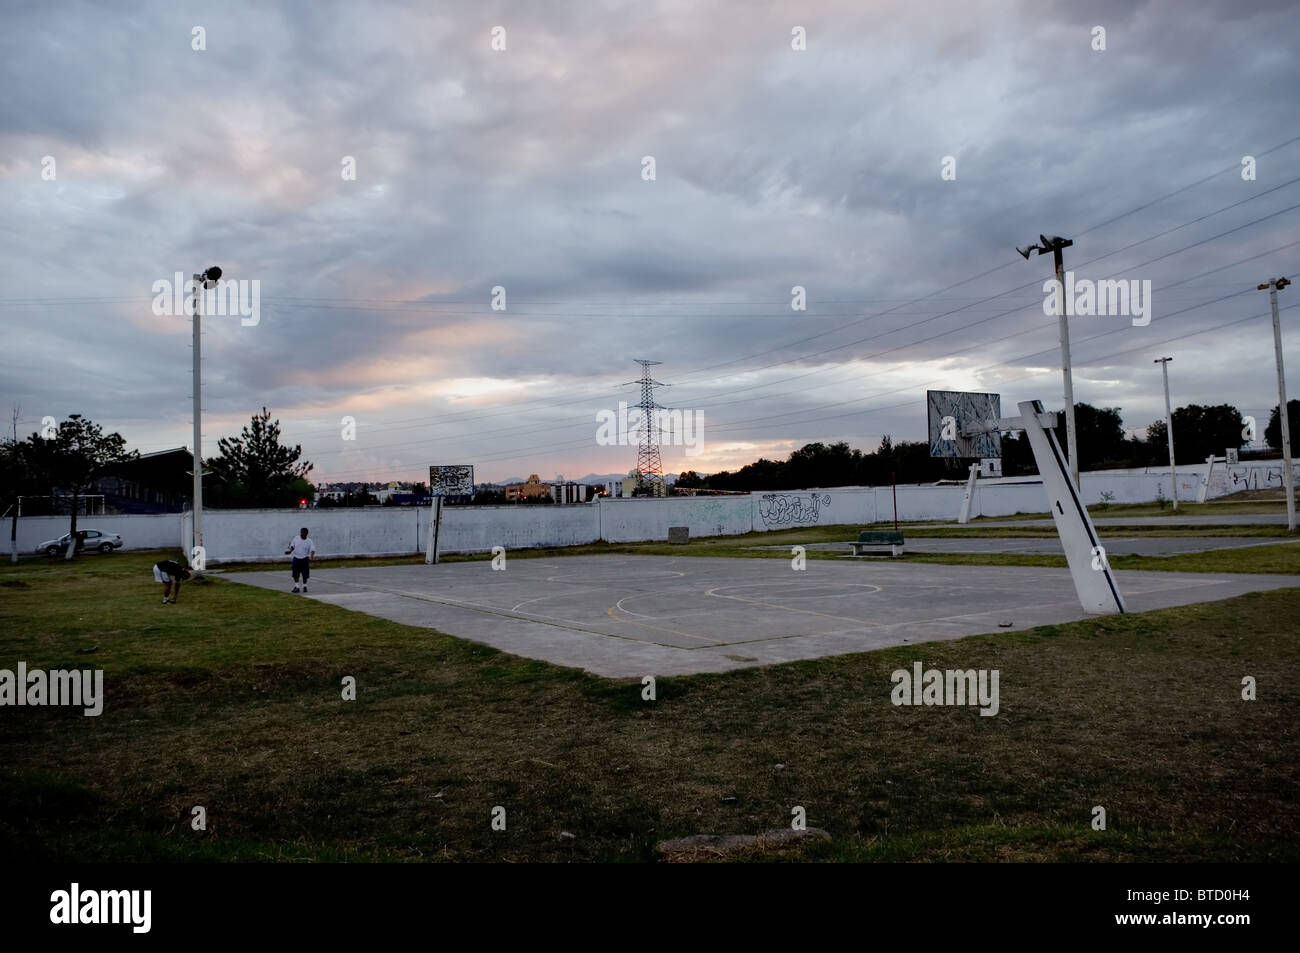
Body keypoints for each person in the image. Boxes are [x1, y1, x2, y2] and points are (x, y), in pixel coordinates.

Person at [285, 527, 317, 592]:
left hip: (304, 559)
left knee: (305, 574)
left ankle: (305, 586)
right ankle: (297, 587)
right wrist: (290, 551)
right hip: (296, 558)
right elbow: (292, 546)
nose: (301, 534)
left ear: (306, 533)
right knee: (295, 573)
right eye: (301, 532)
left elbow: (313, 550)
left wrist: (311, 556)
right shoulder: (296, 538)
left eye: (303, 533)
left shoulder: (309, 541)